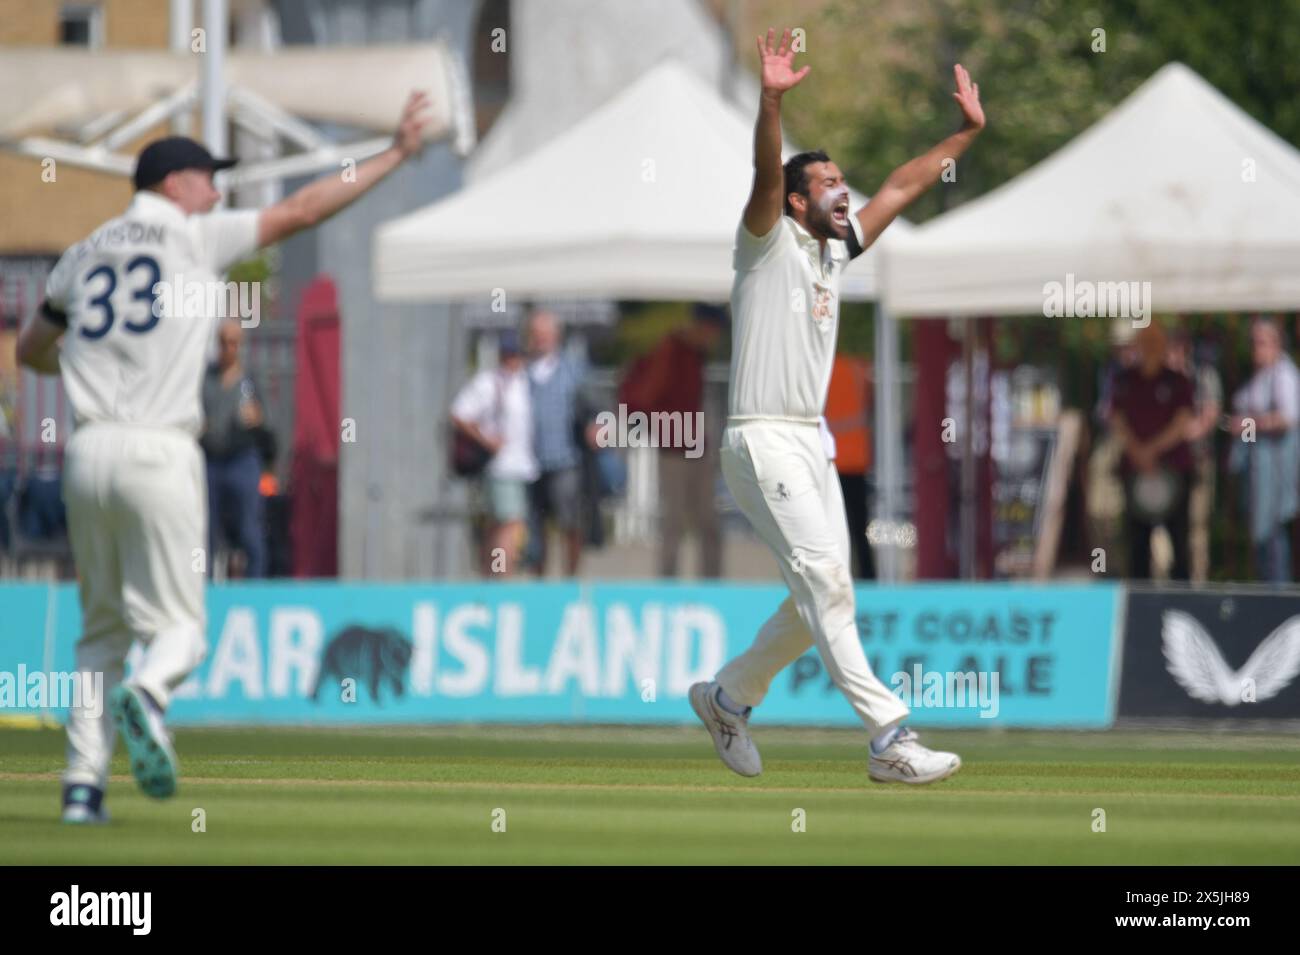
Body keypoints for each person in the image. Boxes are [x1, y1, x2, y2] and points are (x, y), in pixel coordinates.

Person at [16, 91, 434, 823]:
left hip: (85, 453)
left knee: (100, 631)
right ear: (174, 185)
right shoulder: (191, 238)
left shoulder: (81, 254)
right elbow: (305, 208)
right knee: (182, 628)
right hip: (160, 449)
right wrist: (396, 153)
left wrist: (81, 368)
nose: (216, 191)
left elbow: (30, 351)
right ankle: (149, 694)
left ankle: (83, 789)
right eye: (208, 178)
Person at [689, 29, 983, 784]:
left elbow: (901, 187)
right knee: (824, 577)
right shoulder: (766, 240)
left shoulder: (833, 251)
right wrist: (772, 100)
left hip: (807, 442)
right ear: (795, 201)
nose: (841, 189)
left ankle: (728, 697)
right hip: (759, 437)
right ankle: (891, 736)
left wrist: (965, 135)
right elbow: (764, 170)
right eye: (826, 184)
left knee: (819, 590)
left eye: (839, 179)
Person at [618, 304, 726, 578]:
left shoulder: (695, 354)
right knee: (674, 521)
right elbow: (647, 394)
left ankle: (712, 583)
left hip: (695, 446)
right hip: (673, 449)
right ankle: (669, 582)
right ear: (705, 327)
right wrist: (662, 426)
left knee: (707, 520)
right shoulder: (671, 350)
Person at [1109, 322, 1194, 580]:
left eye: (1155, 343)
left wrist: (1153, 451)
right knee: (1137, 544)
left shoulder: (1178, 381)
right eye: (1144, 343)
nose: (1150, 349)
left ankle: (1182, 598)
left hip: (1173, 470)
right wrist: (1138, 452)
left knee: (1178, 542)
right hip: (1135, 472)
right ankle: (1139, 602)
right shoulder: (1124, 380)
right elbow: (1117, 420)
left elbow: (1182, 422)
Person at [450, 330, 538, 577]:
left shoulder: (525, 382)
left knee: (498, 524)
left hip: (525, 465)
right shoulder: (488, 382)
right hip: (501, 466)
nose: (514, 359)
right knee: (511, 521)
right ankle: (502, 577)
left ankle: (490, 576)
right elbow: (459, 414)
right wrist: (487, 440)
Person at [1229, 317, 1300, 583]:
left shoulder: (1284, 374)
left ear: (1276, 343)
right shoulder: (1261, 374)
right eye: (1253, 342)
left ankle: (1276, 593)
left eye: (1261, 342)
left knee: (1273, 535)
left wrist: (1247, 424)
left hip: (1275, 465)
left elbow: (1288, 418)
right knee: (1260, 536)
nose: (1256, 348)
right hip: (1256, 466)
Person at [524, 309, 591, 576]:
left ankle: (570, 580)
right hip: (529, 461)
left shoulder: (573, 369)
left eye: (545, 334)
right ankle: (538, 581)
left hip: (565, 459)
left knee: (569, 521)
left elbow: (593, 404)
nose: (540, 340)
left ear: (556, 336)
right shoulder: (522, 370)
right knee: (534, 526)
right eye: (536, 335)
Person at [201, 318, 267, 578]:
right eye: (223, 342)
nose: (228, 348)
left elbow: (269, 424)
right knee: (206, 530)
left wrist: (258, 418)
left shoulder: (249, 381)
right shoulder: (207, 379)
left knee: (249, 528)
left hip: (241, 460)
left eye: (233, 343)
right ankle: (204, 585)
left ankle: (255, 585)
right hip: (211, 461)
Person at [1167, 329, 1222, 583]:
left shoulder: (1204, 375)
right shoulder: (1162, 380)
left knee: (1197, 529)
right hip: (1167, 468)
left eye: (1178, 347)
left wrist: (1181, 434)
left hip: (1198, 462)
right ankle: (1162, 585)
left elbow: (1210, 416)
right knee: (1164, 529)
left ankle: (1197, 585)